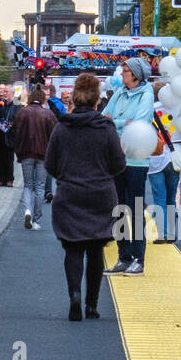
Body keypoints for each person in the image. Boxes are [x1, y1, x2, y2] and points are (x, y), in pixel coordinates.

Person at [45, 74, 126, 321]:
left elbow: (50, 164)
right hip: (100, 195)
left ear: (74, 97)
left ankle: (75, 295)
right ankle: (92, 304)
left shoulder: (62, 127)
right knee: (95, 249)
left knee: (73, 248)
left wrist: (66, 176)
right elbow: (118, 164)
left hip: (69, 194)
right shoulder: (106, 128)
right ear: (96, 99)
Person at [102, 58, 156, 275]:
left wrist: (114, 122)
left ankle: (138, 259)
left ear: (136, 75)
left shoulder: (146, 95)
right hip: (117, 157)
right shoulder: (119, 93)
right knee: (118, 210)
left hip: (136, 159)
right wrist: (123, 123)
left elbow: (139, 124)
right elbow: (103, 117)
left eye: (125, 71)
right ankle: (123, 257)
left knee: (135, 210)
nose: (121, 74)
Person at [12, 86, 57, 230]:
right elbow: (54, 136)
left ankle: (27, 210)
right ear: (43, 99)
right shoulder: (48, 114)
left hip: (26, 153)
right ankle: (36, 220)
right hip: (43, 154)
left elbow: (15, 133)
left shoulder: (22, 112)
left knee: (27, 185)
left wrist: (18, 152)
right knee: (40, 186)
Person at [148, 82, 180, 243]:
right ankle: (172, 233)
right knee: (171, 198)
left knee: (159, 198)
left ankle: (162, 233)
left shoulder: (149, 109)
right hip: (174, 157)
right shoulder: (177, 109)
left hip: (155, 158)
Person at [0, 86, 21, 187]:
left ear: (12, 93)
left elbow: (16, 120)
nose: (4, 93)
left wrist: (1, 125)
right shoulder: (2, 105)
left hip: (10, 136)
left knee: (9, 159)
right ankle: (1, 179)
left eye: (6, 92)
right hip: (0, 135)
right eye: (3, 92)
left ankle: (9, 179)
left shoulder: (17, 106)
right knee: (0, 158)